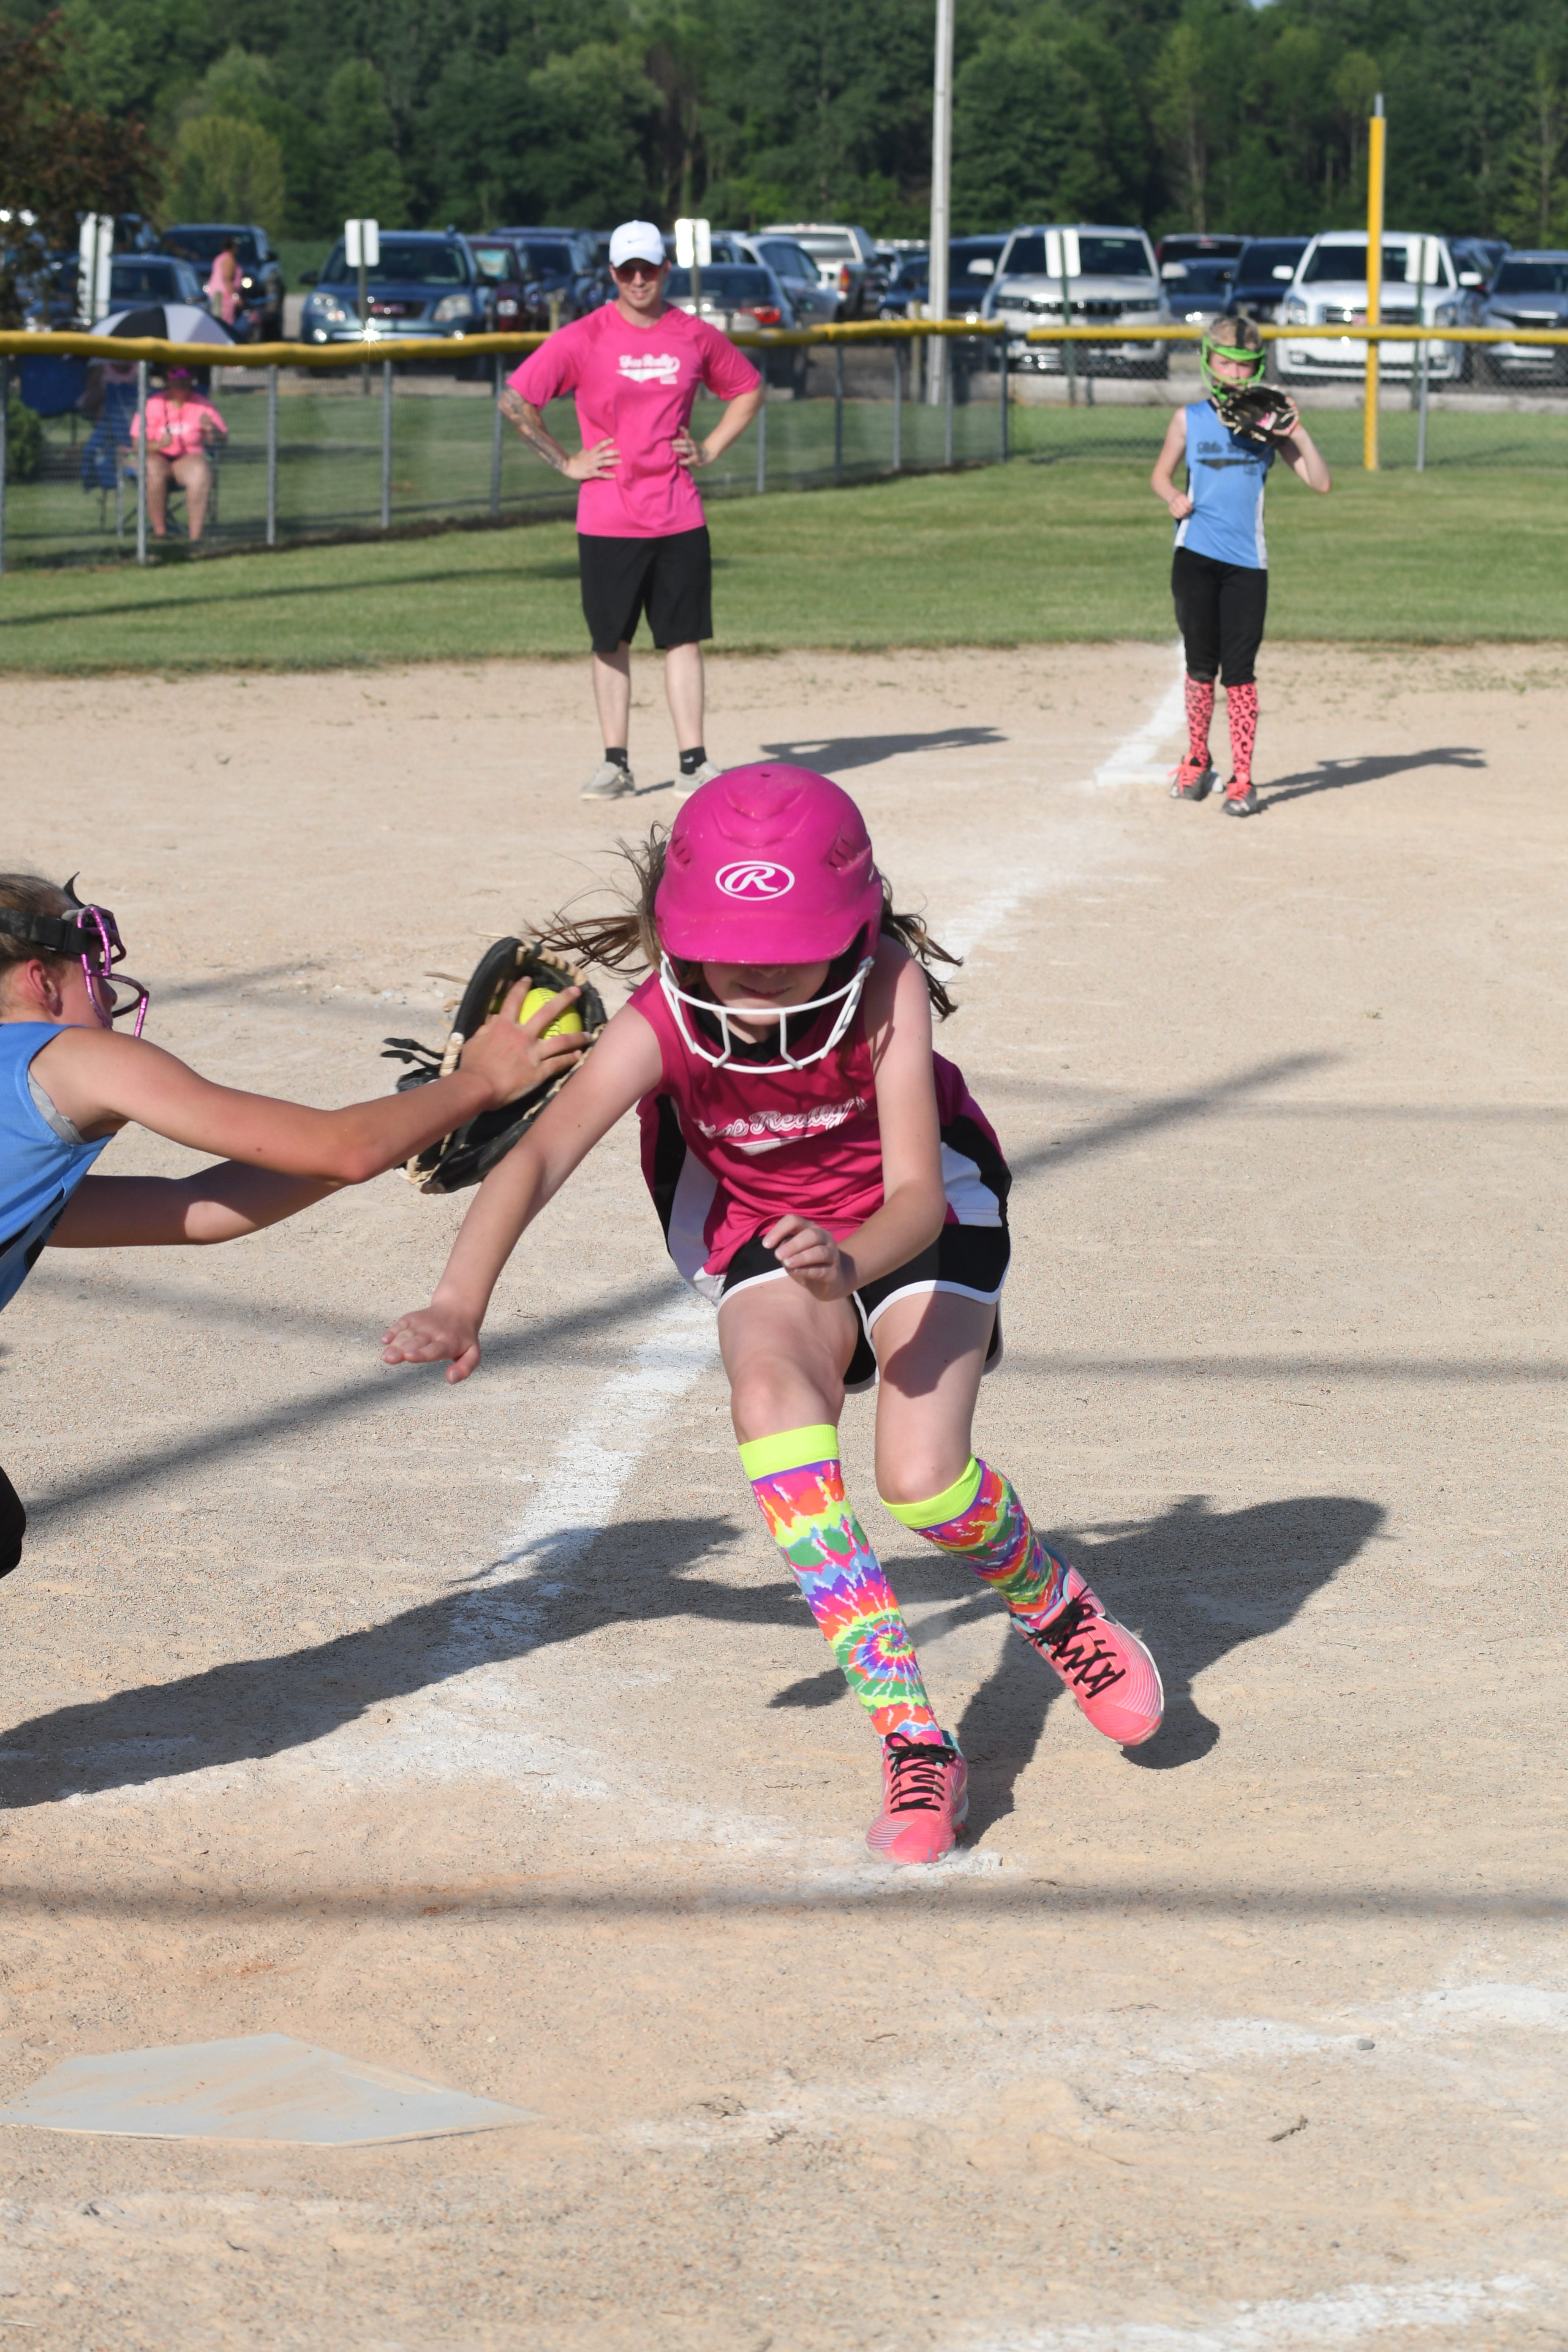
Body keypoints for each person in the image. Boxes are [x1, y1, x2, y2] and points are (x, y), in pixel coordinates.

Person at [382, 767, 1164, 1866]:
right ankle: (913, 1742)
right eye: (728, 960)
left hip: (911, 1221)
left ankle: (1058, 1610)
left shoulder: (885, 983)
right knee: (773, 1419)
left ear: (853, 929)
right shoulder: (665, 1020)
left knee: (924, 1482)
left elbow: (914, 1198)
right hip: (766, 1233)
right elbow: (546, 1149)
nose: (753, 985)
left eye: (785, 957)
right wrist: (460, 1300)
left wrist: (847, 1267)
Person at [0, 874, 584, 1582]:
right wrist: (480, 1084)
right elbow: (340, 1147)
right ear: (41, 979)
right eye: (92, 966)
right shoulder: (69, 1057)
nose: (108, 986)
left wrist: (423, 1120)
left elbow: (197, 1207)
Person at [499, 220, 764, 805]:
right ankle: (615, 764)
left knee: (683, 638)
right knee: (610, 640)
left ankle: (693, 762)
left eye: (649, 268)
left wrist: (712, 447)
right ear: (613, 274)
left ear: (666, 269)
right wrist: (567, 462)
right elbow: (515, 399)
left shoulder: (692, 336)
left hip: (678, 512)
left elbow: (747, 387)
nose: (639, 279)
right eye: (627, 270)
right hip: (608, 515)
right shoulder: (585, 337)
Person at [1151, 315, 1331, 817]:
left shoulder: (1268, 424)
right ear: (1208, 360)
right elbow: (1160, 475)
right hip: (1194, 557)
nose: (1233, 371)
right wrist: (1171, 497)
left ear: (1257, 368)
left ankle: (1243, 778)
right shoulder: (1189, 418)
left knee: (1241, 675)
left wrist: (1298, 431)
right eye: (1224, 360)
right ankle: (1195, 758)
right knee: (1200, 666)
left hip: (1246, 564)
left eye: (1244, 364)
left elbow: (1320, 482)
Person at [130, 368, 228, 544]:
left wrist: (212, 431)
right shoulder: (152, 404)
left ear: (192, 378)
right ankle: (161, 533)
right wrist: (159, 445)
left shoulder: (203, 405)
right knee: (153, 470)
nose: (180, 378)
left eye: (185, 373)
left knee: (200, 472)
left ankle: (195, 539)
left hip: (188, 458)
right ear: (167, 378)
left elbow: (222, 440)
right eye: (175, 373)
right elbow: (138, 446)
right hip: (156, 457)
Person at [205, 236, 240, 330]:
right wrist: (236, 297)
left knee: (216, 323)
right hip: (224, 296)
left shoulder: (220, 258)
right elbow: (227, 279)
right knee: (225, 324)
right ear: (233, 247)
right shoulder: (229, 260)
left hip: (215, 294)